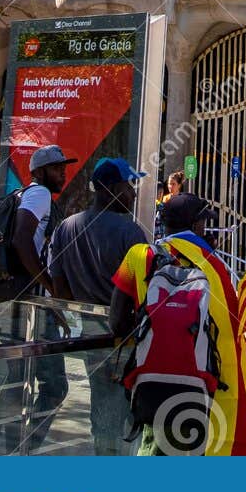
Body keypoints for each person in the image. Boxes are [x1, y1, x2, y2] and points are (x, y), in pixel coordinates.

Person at [0, 145, 76, 454]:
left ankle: (13, 450)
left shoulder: (28, 195)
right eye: (56, 167)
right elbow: (22, 239)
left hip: (16, 300)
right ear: (38, 172)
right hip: (27, 302)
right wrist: (45, 284)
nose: (63, 172)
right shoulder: (39, 194)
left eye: (63, 166)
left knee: (17, 380)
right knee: (54, 385)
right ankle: (23, 449)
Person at [49, 159, 148, 456]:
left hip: (88, 332)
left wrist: (79, 310)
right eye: (127, 186)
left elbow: (58, 282)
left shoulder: (66, 227)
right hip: (125, 335)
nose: (132, 193)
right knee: (124, 407)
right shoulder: (130, 233)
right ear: (109, 189)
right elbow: (145, 291)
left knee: (101, 400)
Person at [109, 192, 217, 456]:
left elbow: (116, 320)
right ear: (194, 225)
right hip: (195, 380)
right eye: (203, 222)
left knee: (151, 444)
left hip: (149, 376)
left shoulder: (138, 254)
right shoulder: (209, 261)